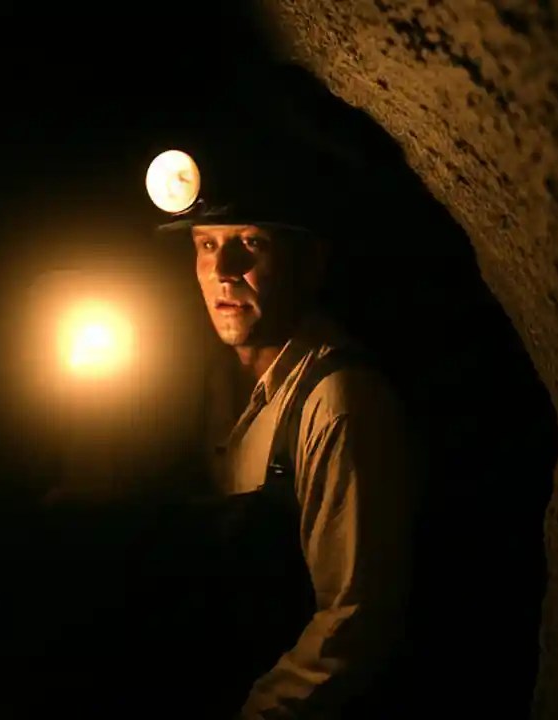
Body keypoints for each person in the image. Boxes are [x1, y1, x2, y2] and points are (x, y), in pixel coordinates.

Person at [147, 140, 417, 718]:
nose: (223, 272)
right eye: (207, 245)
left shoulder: (338, 402)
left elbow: (356, 620)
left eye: (251, 243)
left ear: (309, 263)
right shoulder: (204, 381)